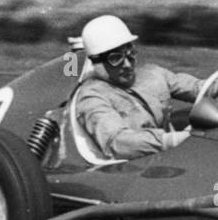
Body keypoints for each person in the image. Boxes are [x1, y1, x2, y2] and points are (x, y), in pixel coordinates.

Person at [73, 15, 206, 159]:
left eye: (130, 55)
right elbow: (117, 142)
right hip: (134, 171)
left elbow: (198, 87)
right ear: (96, 62)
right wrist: (171, 139)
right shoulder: (92, 97)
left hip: (170, 157)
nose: (128, 65)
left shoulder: (153, 74)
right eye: (116, 59)